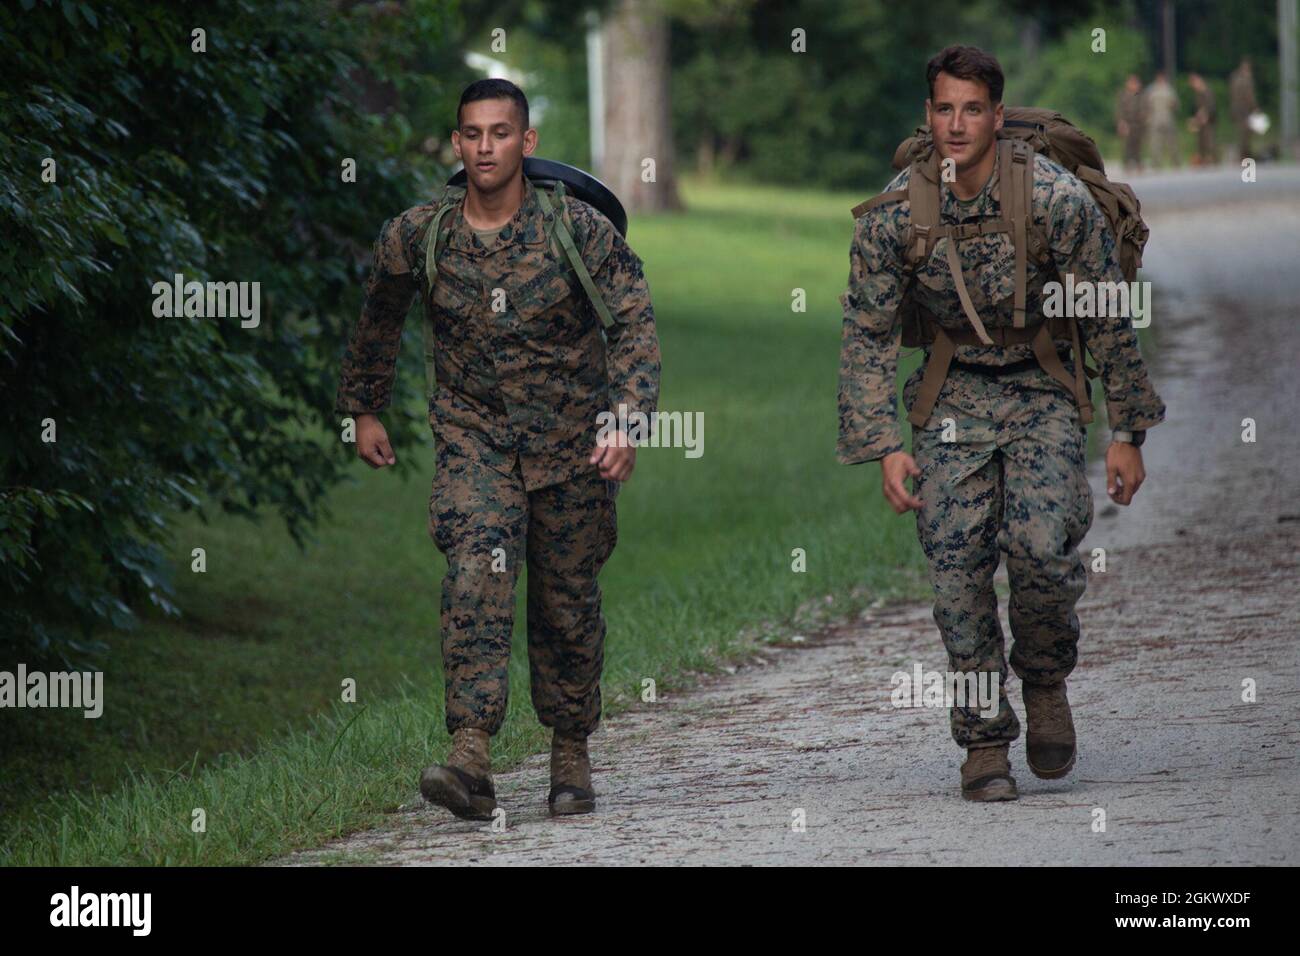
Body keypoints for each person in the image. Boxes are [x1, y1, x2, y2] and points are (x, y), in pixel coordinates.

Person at [836, 45, 1165, 801]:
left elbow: (1106, 313)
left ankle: (1045, 681)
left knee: (1043, 552)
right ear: (929, 115)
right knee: (957, 574)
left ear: (997, 114)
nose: (957, 125)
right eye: (944, 109)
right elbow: (866, 331)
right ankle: (984, 743)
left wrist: (1126, 431)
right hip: (951, 398)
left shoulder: (1053, 200)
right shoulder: (897, 212)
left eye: (972, 109)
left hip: (1041, 387)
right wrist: (882, 444)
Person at [335, 79, 661, 819]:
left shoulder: (575, 229)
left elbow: (633, 323)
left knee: (565, 602)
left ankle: (570, 748)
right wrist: (363, 409)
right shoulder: (421, 234)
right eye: (473, 134)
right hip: (473, 438)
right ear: (457, 144)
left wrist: (627, 420)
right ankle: (471, 752)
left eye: (501, 133)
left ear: (527, 141)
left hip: (573, 443)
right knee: (476, 575)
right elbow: (378, 317)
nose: (486, 147)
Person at [1144, 70, 1181, 168]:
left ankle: (1175, 161)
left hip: (1167, 117)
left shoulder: (1169, 89)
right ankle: (1156, 163)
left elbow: (1176, 104)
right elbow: (1145, 103)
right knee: (1155, 142)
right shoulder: (1151, 89)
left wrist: (1172, 105)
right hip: (1154, 118)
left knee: (1171, 141)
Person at [1115, 73, 1147, 172]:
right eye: (1131, 83)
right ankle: (1127, 165)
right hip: (1127, 123)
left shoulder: (1140, 95)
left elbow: (1145, 108)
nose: (1134, 85)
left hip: (1138, 123)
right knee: (1127, 145)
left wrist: (1144, 117)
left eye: (1135, 83)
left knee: (1137, 144)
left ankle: (1138, 163)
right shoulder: (1123, 95)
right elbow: (1119, 110)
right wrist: (1121, 123)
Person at [1229, 57, 1260, 161]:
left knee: (1241, 132)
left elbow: (1233, 95)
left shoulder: (1234, 78)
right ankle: (1245, 155)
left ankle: (1243, 155)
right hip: (1245, 109)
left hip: (1237, 109)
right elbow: (1249, 96)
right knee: (1246, 133)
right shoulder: (1246, 79)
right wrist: (1255, 108)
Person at [1188, 72, 1218, 166]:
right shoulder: (1198, 94)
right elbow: (1196, 108)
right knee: (1201, 141)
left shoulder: (1207, 92)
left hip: (1208, 120)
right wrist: (1194, 119)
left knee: (1209, 139)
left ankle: (1211, 158)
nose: (1193, 86)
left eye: (1194, 83)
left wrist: (1206, 115)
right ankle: (1203, 158)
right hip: (1201, 121)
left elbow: (1211, 106)